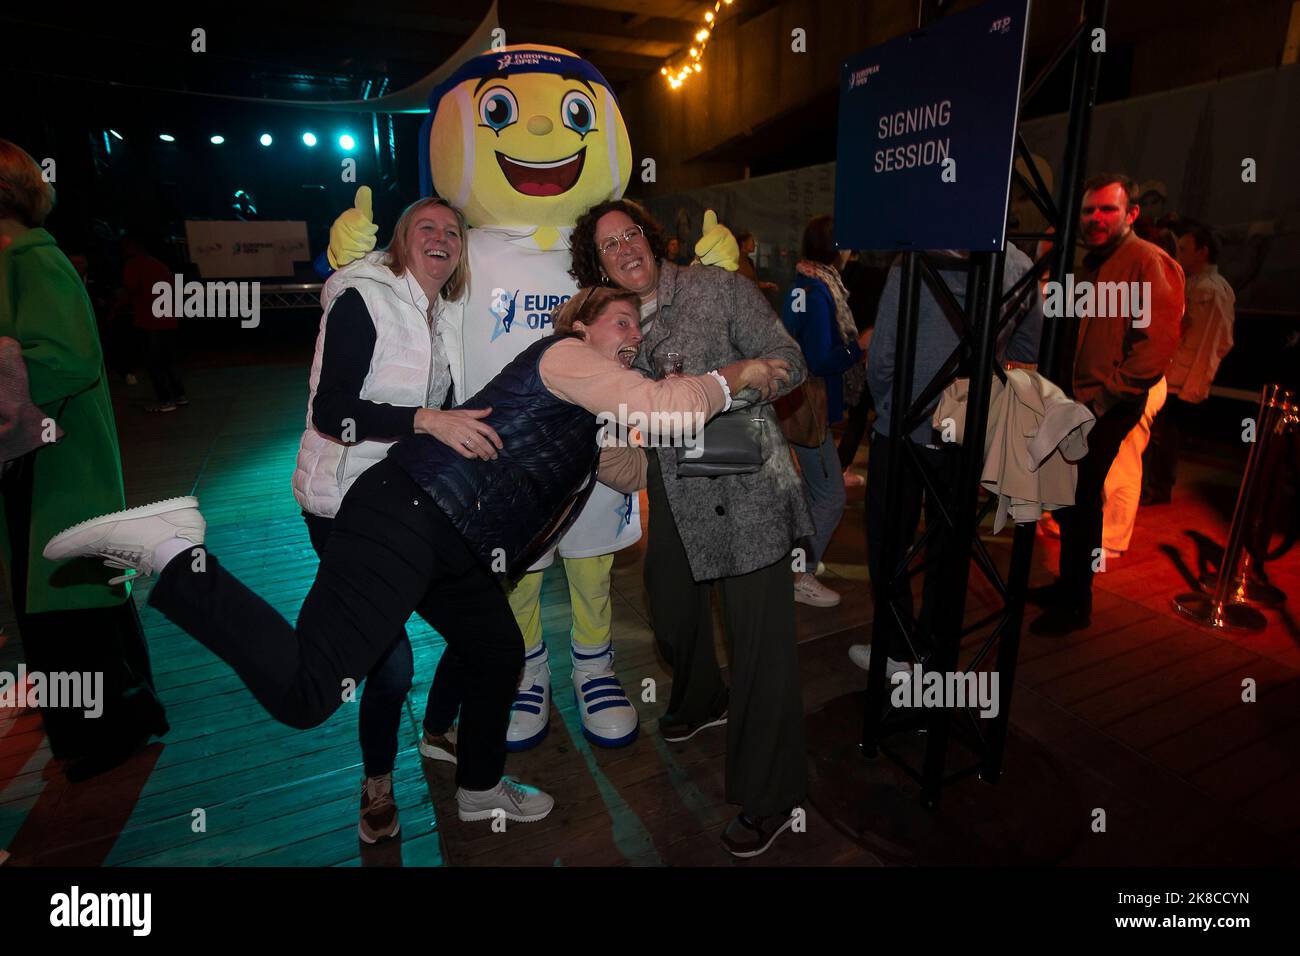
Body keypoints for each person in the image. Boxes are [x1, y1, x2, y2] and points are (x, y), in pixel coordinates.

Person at [45, 287, 790, 827]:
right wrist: (738, 375)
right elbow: (663, 407)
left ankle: (478, 788)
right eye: (622, 320)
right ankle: (175, 555)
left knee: (497, 653)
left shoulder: (593, 401)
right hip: (409, 514)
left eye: (639, 328)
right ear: (583, 323)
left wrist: (664, 416)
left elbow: (629, 463)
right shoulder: (564, 356)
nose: (633, 334)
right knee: (310, 689)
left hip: (453, 542)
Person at [569, 198, 813, 858]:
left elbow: (789, 356)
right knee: (672, 608)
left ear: (652, 240)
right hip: (672, 490)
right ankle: (704, 697)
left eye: (632, 235)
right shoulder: (603, 322)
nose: (626, 249)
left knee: (758, 640)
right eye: (609, 245)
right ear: (596, 263)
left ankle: (772, 795)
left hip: (744, 484)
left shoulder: (717, 287)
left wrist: (736, 385)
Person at [292, 196, 497, 843]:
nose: (441, 238)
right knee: (392, 665)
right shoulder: (364, 296)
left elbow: (459, 400)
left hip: (411, 500)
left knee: (481, 623)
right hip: (343, 507)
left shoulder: (448, 311)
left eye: (453, 232)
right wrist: (424, 421)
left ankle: (438, 730)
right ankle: (377, 782)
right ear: (401, 242)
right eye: (425, 228)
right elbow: (333, 412)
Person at [0, 138, 168, 780]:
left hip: (58, 468)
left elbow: (68, 358)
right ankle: (106, 729)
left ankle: (109, 734)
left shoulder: (31, 258)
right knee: (69, 605)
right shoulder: (17, 257)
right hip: (38, 466)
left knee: (75, 610)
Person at [850, 244, 1043, 672]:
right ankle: (933, 658)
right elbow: (1027, 352)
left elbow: (883, 354)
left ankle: (899, 649)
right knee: (949, 549)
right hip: (965, 432)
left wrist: (888, 410)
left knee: (889, 544)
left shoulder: (914, 258)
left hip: (903, 428)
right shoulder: (1019, 265)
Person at [1028, 173, 1183, 635]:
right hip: (1081, 402)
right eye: (1090, 210)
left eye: (1107, 210)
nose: (1096, 218)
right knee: (1074, 501)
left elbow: (1153, 350)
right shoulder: (1094, 263)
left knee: (1082, 499)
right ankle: (1069, 587)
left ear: (1131, 214)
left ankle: (1077, 603)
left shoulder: (1149, 262)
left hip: (1106, 407)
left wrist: (1101, 402)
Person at [781, 215, 871, 608]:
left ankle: (789, 565)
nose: (852, 252)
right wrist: (859, 347)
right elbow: (818, 359)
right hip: (809, 413)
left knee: (807, 495)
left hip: (797, 406)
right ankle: (798, 575)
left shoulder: (804, 285)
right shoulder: (818, 293)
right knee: (831, 497)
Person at [1142, 220, 1235, 505]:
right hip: (1172, 372)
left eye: (1184, 248)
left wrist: (1195, 381)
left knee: (1168, 435)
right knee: (1159, 433)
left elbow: (1215, 340)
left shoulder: (1212, 289)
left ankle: (1159, 487)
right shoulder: (1195, 283)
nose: (1179, 253)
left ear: (1202, 251)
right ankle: (1154, 485)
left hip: (1181, 377)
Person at [115, 235, 185, 412]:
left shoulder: (134, 265)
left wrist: (113, 309)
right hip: (168, 319)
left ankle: (165, 400)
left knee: (155, 362)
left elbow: (128, 290)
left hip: (149, 321)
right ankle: (179, 395)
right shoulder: (159, 264)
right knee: (170, 361)